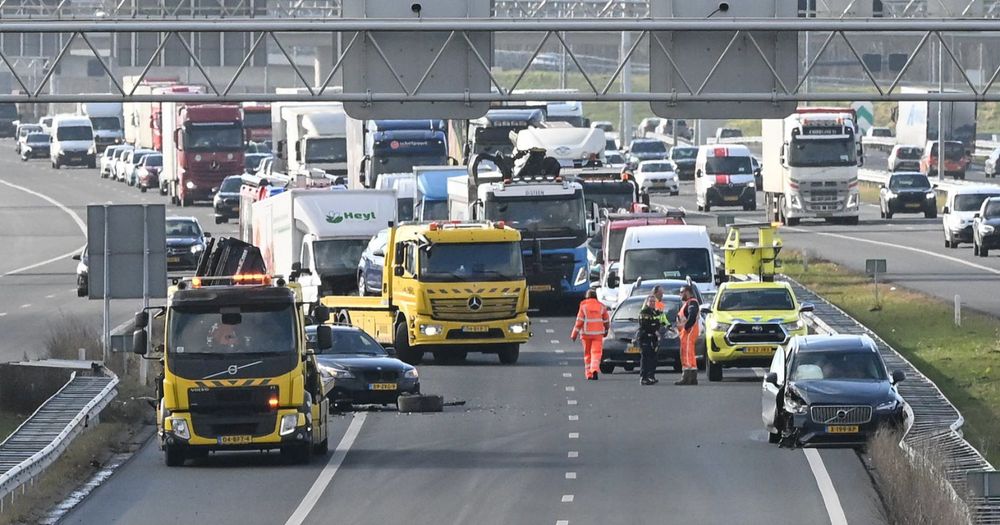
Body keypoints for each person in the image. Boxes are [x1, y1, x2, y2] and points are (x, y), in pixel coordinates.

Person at [570, 289, 610, 380]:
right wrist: (606, 329)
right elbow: (606, 321)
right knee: (596, 353)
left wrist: (574, 334)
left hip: (586, 334)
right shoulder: (601, 306)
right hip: (598, 334)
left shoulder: (583, 306)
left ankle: (588, 374)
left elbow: (579, 322)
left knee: (587, 354)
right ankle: (594, 369)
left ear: (586, 297)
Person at [636, 295, 666, 385]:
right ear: (647, 302)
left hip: (653, 338)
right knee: (645, 358)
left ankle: (651, 376)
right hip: (645, 337)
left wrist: (656, 326)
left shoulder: (655, 312)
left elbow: (659, 323)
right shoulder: (644, 312)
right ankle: (643, 377)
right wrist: (654, 329)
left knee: (653, 358)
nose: (652, 303)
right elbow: (645, 325)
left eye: (654, 301)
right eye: (651, 301)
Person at [675, 285, 700, 385]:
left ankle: (688, 377)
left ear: (687, 292)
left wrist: (685, 328)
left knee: (687, 354)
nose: (680, 294)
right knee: (688, 354)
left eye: (682, 292)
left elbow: (692, 316)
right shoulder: (688, 303)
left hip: (689, 332)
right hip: (686, 332)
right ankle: (691, 377)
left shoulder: (692, 303)